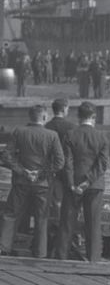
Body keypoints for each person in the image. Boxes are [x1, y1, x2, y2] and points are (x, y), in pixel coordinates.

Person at [0, 105, 65, 257]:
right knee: (41, 218)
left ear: (30, 117)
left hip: (21, 181)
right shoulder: (52, 135)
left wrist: (23, 171)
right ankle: (40, 252)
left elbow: (6, 156)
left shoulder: (18, 131)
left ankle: (4, 247)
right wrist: (41, 173)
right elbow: (59, 162)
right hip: (42, 184)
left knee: (11, 214)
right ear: (43, 117)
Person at [57, 102, 109, 262]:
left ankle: (62, 256)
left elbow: (68, 162)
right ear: (94, 117)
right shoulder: (102, 137)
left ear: (78, 116)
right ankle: (93, 259)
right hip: (94, 185)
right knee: (93, 224)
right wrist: (87, 182)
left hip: (73, 184)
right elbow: (102, 165)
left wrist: (72, 183)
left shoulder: (70, 135)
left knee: (67, 221)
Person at [45, 98, 76, 256]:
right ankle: (65, 242)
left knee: (53, 205)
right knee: (67, 207)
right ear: (64, 109)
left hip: (51, 172)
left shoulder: (46, 126)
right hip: (68, 173)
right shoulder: (71, 127)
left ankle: (51, 240)